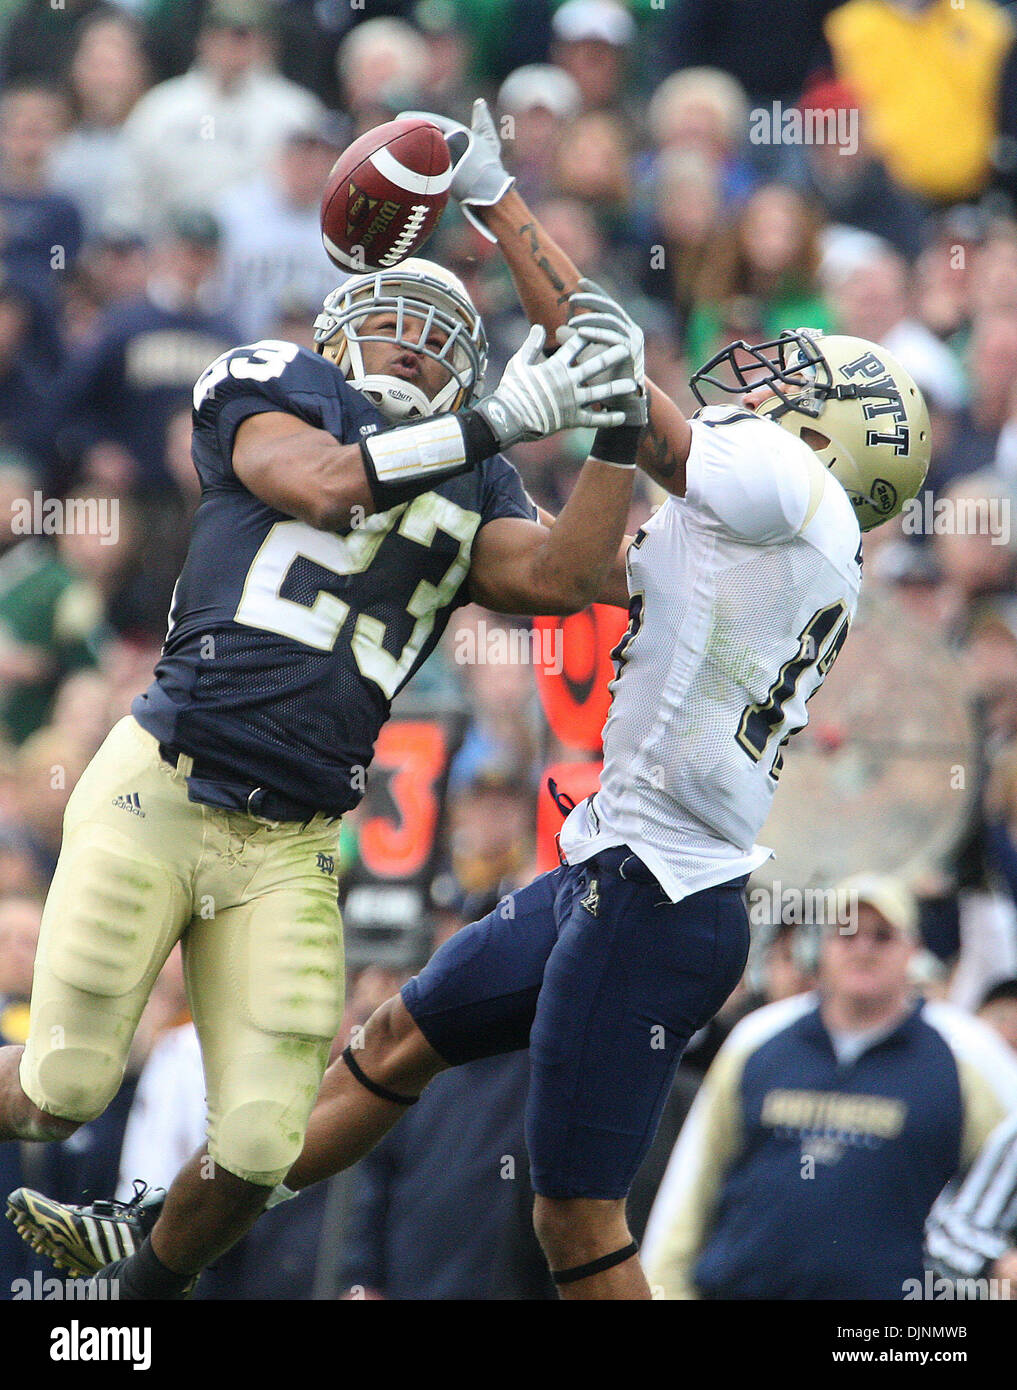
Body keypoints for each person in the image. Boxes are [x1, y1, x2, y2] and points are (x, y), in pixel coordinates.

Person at [11, 98, 934, 1302]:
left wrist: (500, 205)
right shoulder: (786, 535)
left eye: (799, 384)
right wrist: (562, 411)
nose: (765, 387)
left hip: (662, 891)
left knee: (575, 1222)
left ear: (835, 442)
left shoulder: (782, 484)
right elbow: (592, 535)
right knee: (388, 1044)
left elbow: (619, 392)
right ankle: (148, 1284)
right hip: (615, 864)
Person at [1, 232, 645, 1299]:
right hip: (160, 783)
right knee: (61, 1088)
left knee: (260, 1147)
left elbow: (571, 574)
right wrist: (491, 420)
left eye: (434, 343)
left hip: (294, 837)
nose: (404, 350)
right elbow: (326, 488)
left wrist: (616, 425)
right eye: (387, 322)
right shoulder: (275, 384)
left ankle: (120, 1306)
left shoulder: (479, 481)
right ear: (339, 334)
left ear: (465, 373)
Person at [642, 876, 1017, 1299]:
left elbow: (1004, 1188)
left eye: (882, 936)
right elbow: (691, 1188)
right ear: (819, 947)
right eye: (847, 932)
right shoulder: (759, 1039)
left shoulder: (964, 1053)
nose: (863, 948)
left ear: (913, 950)